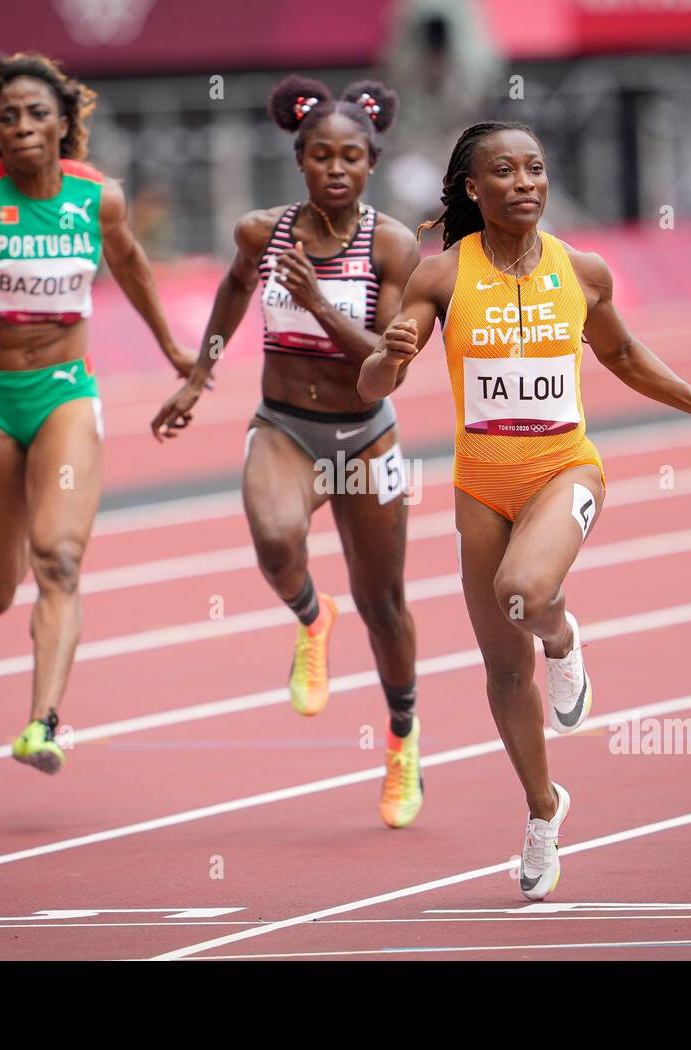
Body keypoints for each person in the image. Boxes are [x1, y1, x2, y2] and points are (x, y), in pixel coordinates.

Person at [359, 121, 691, 896]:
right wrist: (387, 357)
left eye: (535, 168)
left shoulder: (582, 269)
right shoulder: (440, 276)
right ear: (473, 190)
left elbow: (622, 356)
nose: (524, 183)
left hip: (564, 468)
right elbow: (378, 384)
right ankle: (544, 812)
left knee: (526, 595)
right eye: (503, 172)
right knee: (505, 673)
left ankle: (563, 633)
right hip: (480, 485)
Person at [0, 52, 194, 774]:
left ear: (64, 123)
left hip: (65, 394)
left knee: (59, 558)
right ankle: (17, 511)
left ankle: (42, 723)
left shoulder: (98, 199)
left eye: (35, 114)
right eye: (7, 118)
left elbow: (134, 267)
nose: (22, 127)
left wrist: (173, 346)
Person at [151, 75, 427, 828]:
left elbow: (388, 361)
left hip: (366, 437)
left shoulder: (395, 244)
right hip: (285, 427)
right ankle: (311, 617)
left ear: (371, 165)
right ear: (299, 159)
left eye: (352, 158)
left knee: (385, 605)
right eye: (321, 157)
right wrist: (200, 374)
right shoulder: (260, 234)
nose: (336, 170)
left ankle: (402, 743)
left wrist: (314, 304)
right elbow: (234, 292)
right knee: (276, 542)